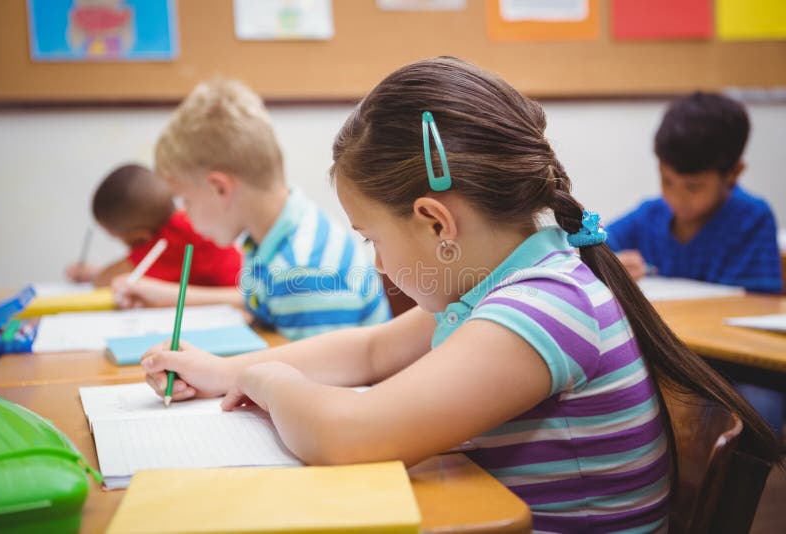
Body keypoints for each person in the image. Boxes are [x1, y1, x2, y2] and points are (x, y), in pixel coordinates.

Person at [140, 59, 781, 531]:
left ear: (436, 222)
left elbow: (349, 434)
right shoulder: (502, 284)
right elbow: (366, 352)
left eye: (371, 238)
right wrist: (225, 370)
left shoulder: (540, 309)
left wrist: (269, 379)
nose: (377, 264)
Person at [113, 79, 390, 340]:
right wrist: (164, 294)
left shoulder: (303, 271)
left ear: (220, 188)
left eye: (186, 200)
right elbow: (264, 300)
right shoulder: (276, 231)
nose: (184, 214)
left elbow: (321, 383)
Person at [607, 92, 782, 294]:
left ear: (734, 173)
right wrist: (611, 266)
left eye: (693, 187)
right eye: (667, 181)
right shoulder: (650, 216)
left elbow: (757, 306)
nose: (676, 197)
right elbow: (588, 248)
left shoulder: (752, 220)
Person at [66, 163, 240, 287]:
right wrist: (95, 272)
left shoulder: (169, 240)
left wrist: (97, 275)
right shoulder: (181, 223)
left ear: (140, 236)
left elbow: (107, 281)